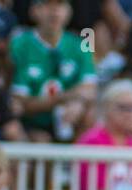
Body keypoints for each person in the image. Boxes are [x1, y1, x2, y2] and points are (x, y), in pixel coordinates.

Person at [9, 0, 97, 142]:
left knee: (89, 113)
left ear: (69, 11)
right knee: (38, 139)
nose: (54, 12)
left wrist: (78, 104)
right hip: (32, 123)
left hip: (69, 119)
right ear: (34, 11)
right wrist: (62, 98)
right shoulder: (20, 44)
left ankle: (79, 161)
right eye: (47, 5)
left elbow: (90, 89)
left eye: (60, 5)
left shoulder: (82, 43)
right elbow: (20, 103)